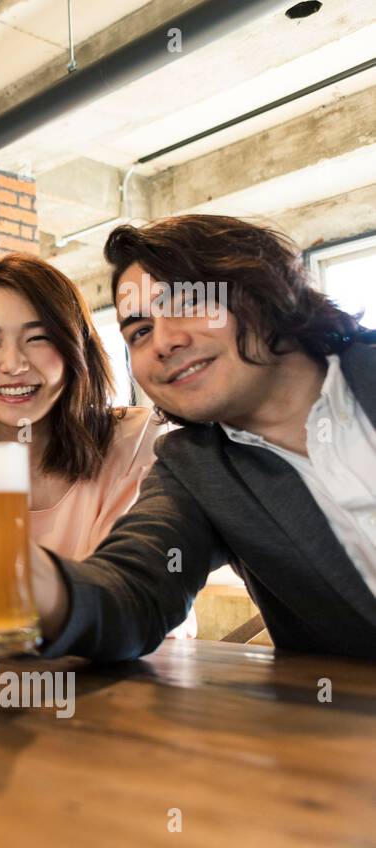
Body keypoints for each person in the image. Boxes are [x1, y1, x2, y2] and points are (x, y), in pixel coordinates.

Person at [32, 215, 376, 659]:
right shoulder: (196, 468)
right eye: (139, 331)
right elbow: (134, 588)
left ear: (262, 288)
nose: (163, 342)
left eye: (189, 303)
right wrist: (33, 583)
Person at [0, 253, 163, 561]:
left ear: (76, 349)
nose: (13, 365)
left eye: (38, 338)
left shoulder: (137, 440)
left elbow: (128, 589)